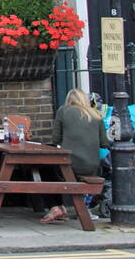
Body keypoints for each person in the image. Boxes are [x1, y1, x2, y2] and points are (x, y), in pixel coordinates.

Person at [42, 87, 111, 224]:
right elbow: (104, 143)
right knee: (53, 169)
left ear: (69, 100)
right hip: (92, 166)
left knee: (44, 168)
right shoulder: (96, 115)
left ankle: (55, 206)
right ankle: (68, 207)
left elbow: (55, 139)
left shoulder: (63, 111)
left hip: (72, 164)